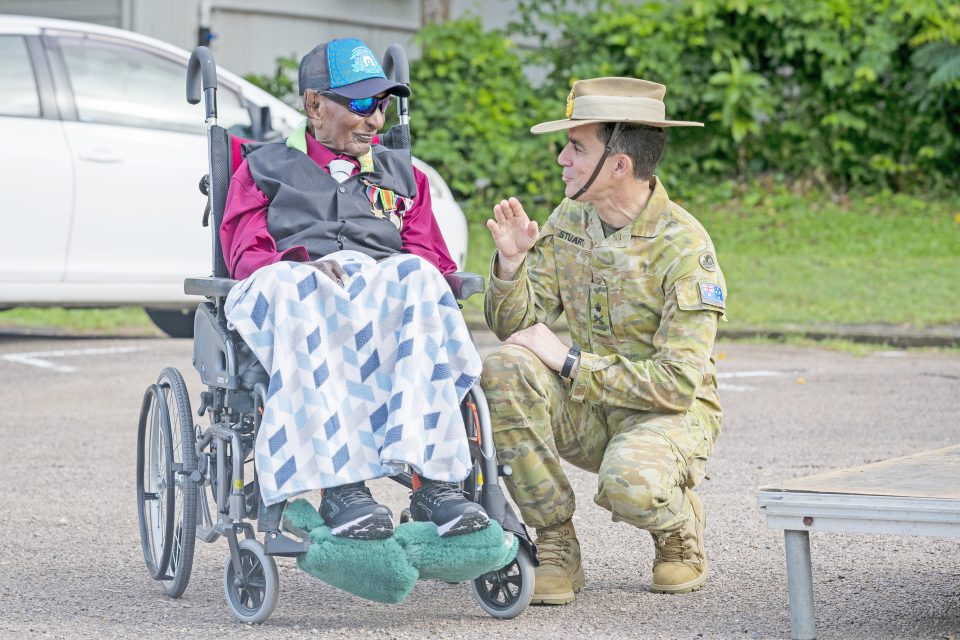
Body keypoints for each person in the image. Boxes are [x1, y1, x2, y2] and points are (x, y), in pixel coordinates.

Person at [220, 38, 489, 541]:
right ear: (314, 104)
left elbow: (431, 257)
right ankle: (341, 485)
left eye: (382, 105)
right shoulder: (261, 168)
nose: (374, 120)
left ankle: (434, 481)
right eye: (361, 104)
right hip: (301, 290)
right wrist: (301, 266)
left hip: (382, 302)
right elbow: (246, 254)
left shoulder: (405, 177)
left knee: (419, 278)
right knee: (299, 288)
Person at [482, 77, 725, 602]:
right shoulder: (571, 218)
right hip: (594, 409)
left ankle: (677, 529)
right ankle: (555, 544)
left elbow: (677, 386)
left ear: (619, 164)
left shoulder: (685, 248)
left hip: (665, 417)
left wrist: (569, 361)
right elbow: (518, 327)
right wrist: (511, 264)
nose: (563, 160)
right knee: (503, 368)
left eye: (576, 147)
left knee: (629, 484)